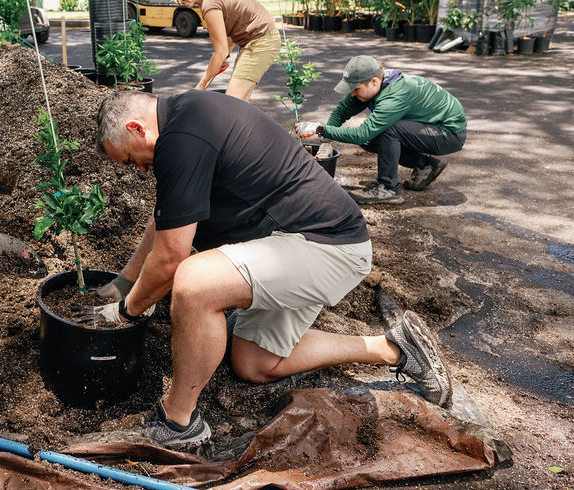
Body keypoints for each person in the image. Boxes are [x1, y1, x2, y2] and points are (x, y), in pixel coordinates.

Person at [83, 89, 454, 447]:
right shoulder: (187, 117)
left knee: (194, 283)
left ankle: (178, 421)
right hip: (299, 242)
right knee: (254, 362)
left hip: (326, 246)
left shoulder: (182, 137)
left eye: (131, 159)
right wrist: (124, 282)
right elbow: (165, 221)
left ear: (136, 128)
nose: (141, 170)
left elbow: (170, 258)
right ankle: (393, 347)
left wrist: (125, 311)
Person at [296, 55, 467, 205]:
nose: (353, 94)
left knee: (386, 130)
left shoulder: (394, 95)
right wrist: (326, 141)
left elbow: (361, 133)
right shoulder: (374, 83)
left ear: (374, 82)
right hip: (429, 128)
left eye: (356, 89)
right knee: (369, 140)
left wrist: (320, 130)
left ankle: (388, 189)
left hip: (448, 133)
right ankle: (424, 165)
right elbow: (341, 111)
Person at [166, 0, 281, 102]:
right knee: (241, 102)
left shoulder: (210, 4)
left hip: (261, 41)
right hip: (258, 39)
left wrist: (201, 86)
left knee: (232, 101)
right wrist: (224, 56)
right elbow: (231, 31)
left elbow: (220, 51)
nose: (180, 1)